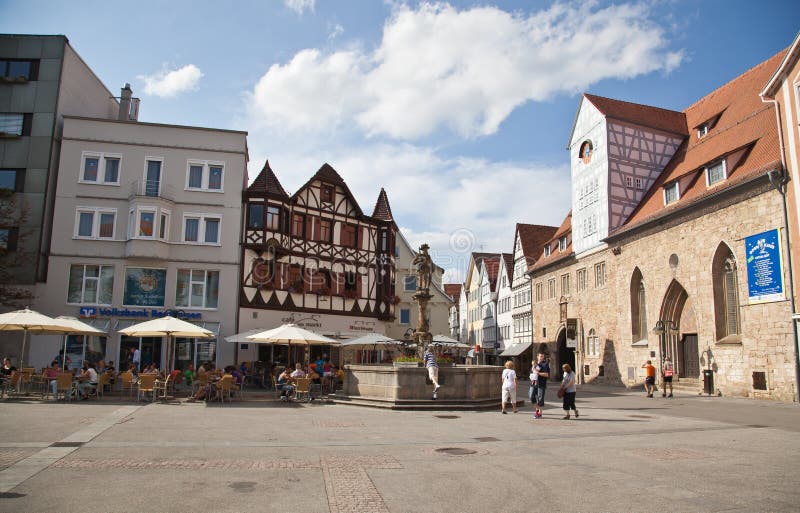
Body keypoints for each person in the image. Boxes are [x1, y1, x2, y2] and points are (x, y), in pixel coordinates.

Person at [532, 352, 550, 419]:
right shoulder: (535, 364)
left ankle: (539, 413)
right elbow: (532, 373)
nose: (541, 357)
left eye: (542, 356)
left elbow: (547, 375)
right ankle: (537, 409)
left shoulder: (545, 364)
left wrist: (538, 373)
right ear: (537, 357)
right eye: (540, 356)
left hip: (541, 384)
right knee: (531, 396)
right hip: (533, 383)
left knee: (540, 398)